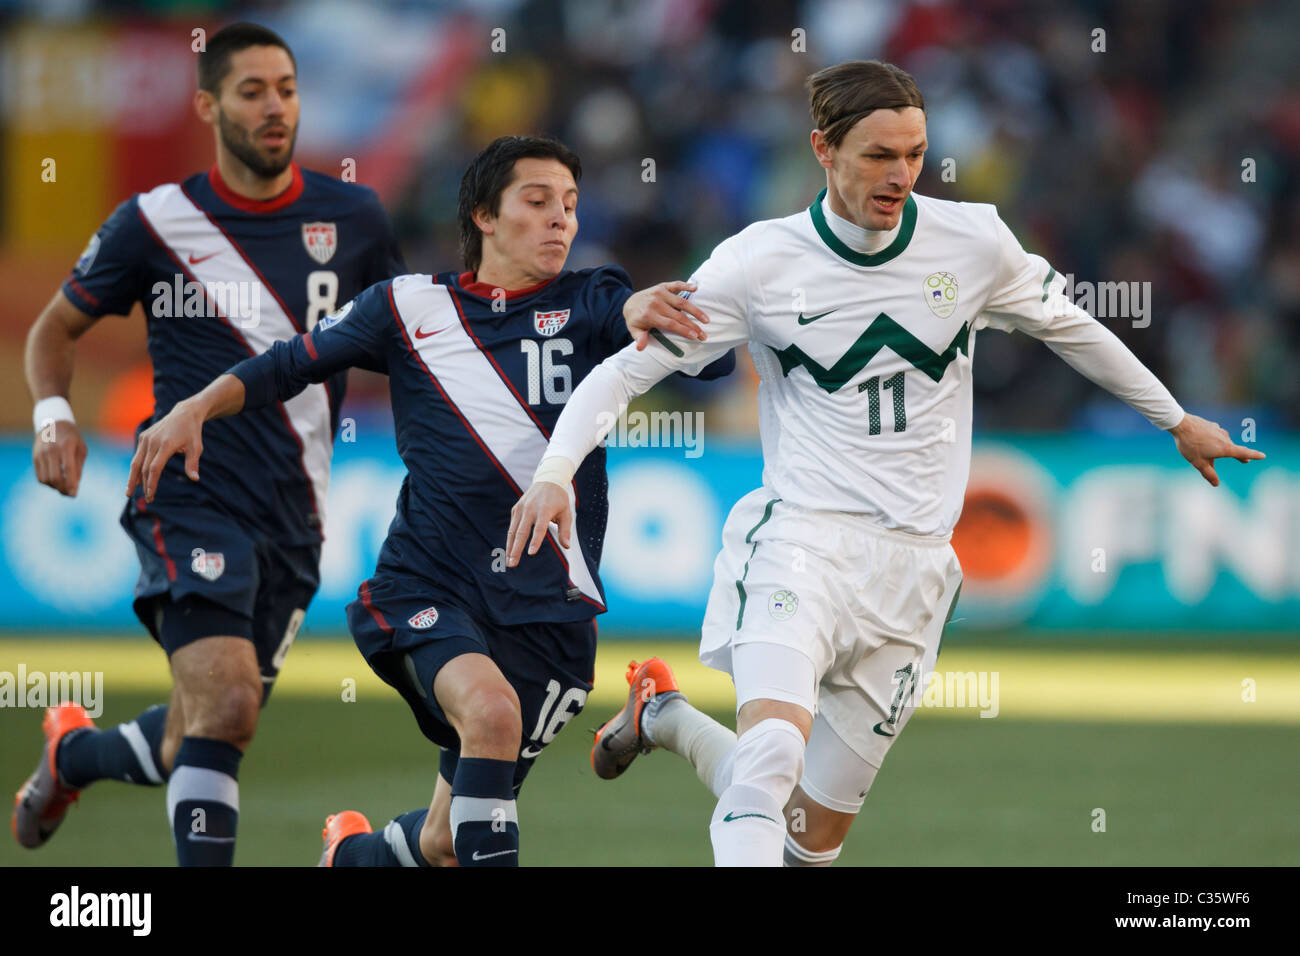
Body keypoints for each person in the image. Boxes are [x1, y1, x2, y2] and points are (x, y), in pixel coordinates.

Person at [505, 59, 1265, 867]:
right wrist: (555, 471)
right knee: (767, 760)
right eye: (878, 156)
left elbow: (1070, 326)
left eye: (914, 153)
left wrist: (1177, 420)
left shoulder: (972, 242)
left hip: (917, 572)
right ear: (822, 150)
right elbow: (627, 370)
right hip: (803, 542)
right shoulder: (757, 262)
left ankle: (663, 718)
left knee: (808, 839)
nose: (901, 175)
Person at [124, 134, 734, 867]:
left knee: (446, 841)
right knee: (491, 711)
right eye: (537, 203)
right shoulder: (408, 306)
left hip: (551, 607)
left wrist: (650, 307)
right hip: (428, 585)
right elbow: (290, 364)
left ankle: (349, 855)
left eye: (569, 206)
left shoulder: (594, 300)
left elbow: (713, 360)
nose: (559, 222)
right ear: (483, 214)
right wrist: (194, 407)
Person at [14, 22, 407, 866]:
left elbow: (404, 342)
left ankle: (71, 755)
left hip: (294, 516)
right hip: (187, 495)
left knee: (202, 728)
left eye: (288, 90)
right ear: (208, 105)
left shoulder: (355, 216)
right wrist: (54, 415)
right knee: (226, 703)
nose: (276, 109)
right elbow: (53, 330)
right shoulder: (155, 222)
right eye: (253, 91)